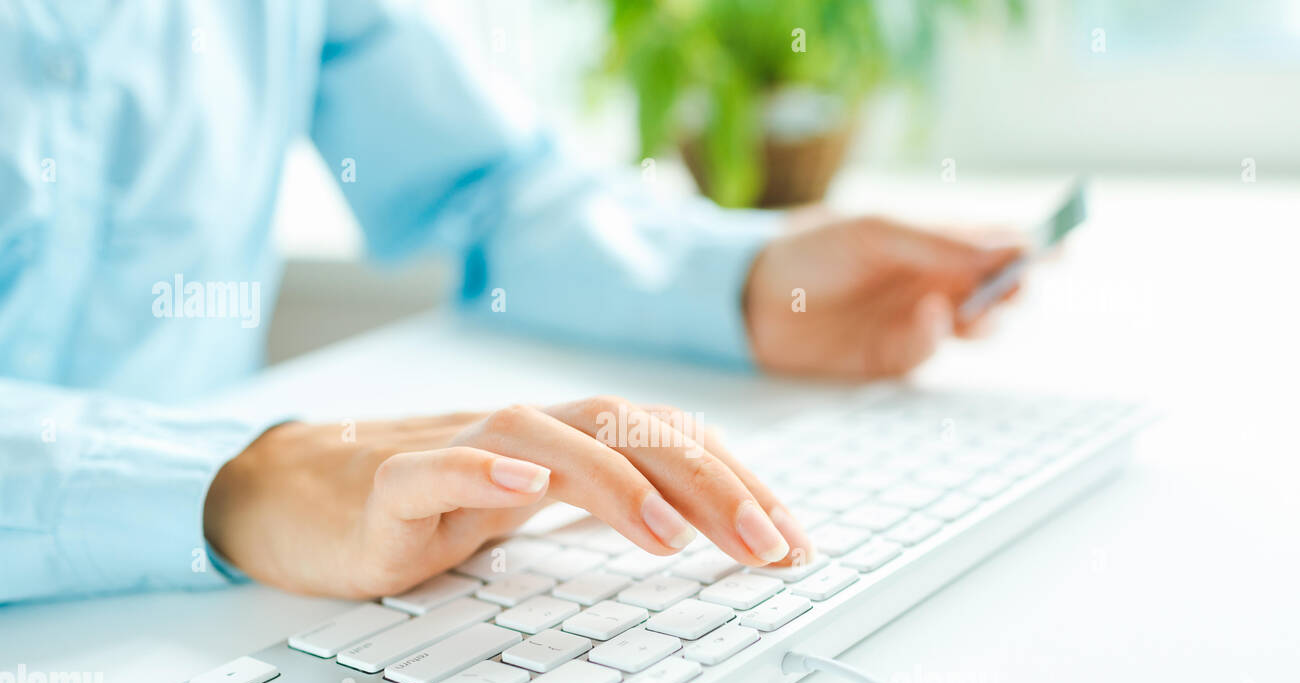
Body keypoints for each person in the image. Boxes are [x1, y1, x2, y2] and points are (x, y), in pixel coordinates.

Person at [0, 1, 1019, 604]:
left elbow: (483, 181)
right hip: (231, 534)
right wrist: (238, 478)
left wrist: (749, 286)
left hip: (212, 597)